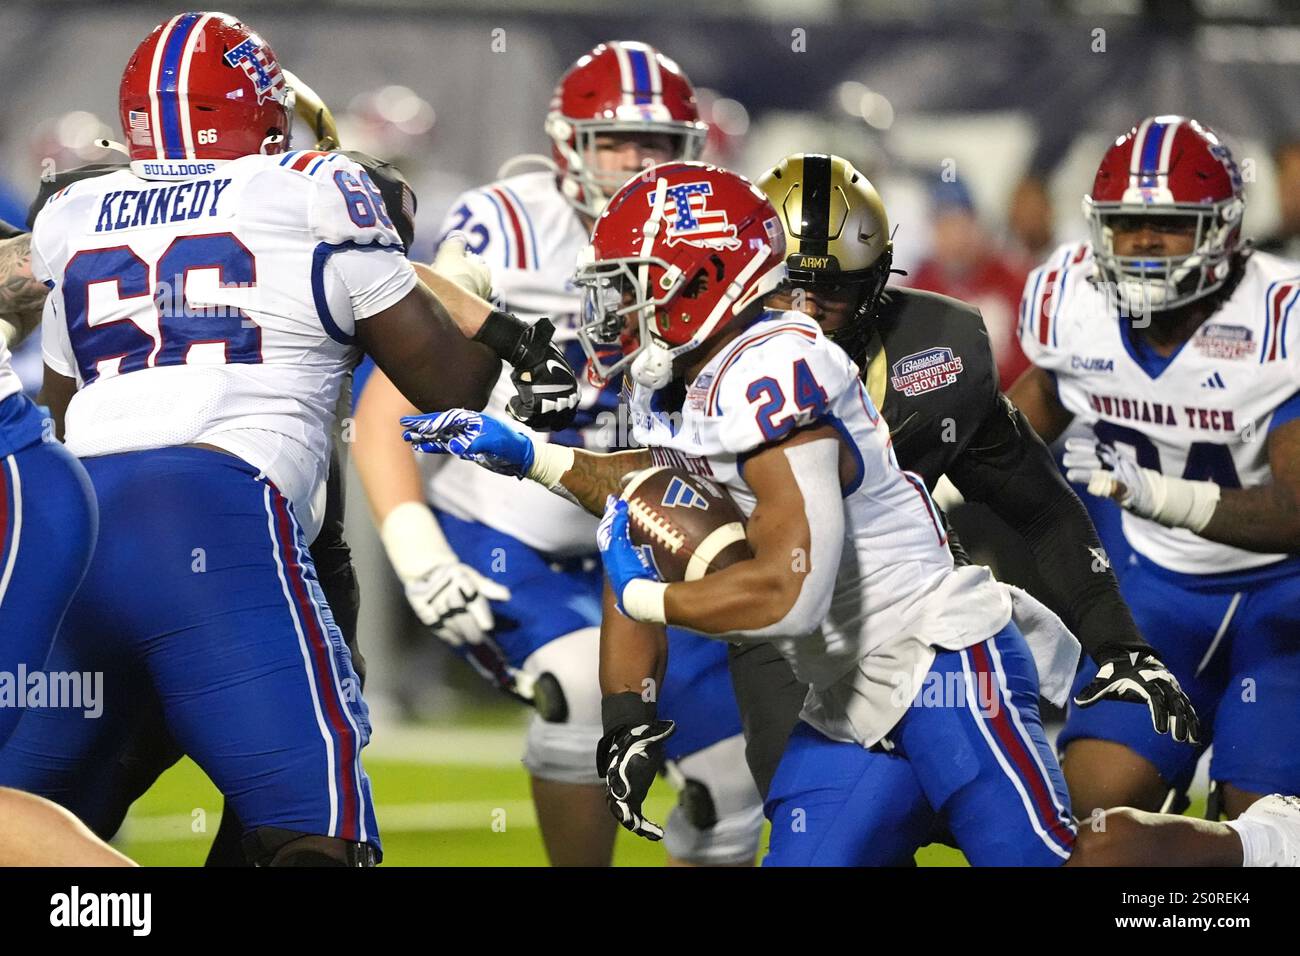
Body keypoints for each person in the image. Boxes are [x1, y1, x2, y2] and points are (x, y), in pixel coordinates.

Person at [400, 160, 1300, 866]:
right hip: (841, 689)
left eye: (636, 280)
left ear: (706, 281)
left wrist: (647, 603)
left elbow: (790, 589)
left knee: (1065, 864)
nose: (613, 301)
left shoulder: (776, 368)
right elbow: (644, 501)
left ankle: (1262, 848)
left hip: (935, 658)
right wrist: (539, 461)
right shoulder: (672, 375)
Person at [0, 11, 577, 867]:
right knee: (313, 842)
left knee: (25, 826)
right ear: (259, 110)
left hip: (76, 530)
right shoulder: (319, 190)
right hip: (218, 515)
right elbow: (448, 388)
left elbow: (58, 406)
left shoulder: (72, 214)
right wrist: (460, 305)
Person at [354, 41, 764, 867]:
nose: (636, 162)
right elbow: (389, 400)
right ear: (565, 143)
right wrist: (418, 550)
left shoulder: (712, 231)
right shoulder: (505, 224)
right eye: (615, 140)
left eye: (657, 143)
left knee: (733, 788)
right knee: (582, 689)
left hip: (651, 547)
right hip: (514, 530)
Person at [1010, 115, 1300, 824]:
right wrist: (935, 485)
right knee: (1090, 815)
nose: (1142, 242)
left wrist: (1162, 496)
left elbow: (1297, 513)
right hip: (1161, 597)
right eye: (1126, 222)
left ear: (1223, 230)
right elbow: (1010, 427)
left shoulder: (1279, 317)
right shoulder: (1072, 304)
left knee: (1260, 824)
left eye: (1167, 223)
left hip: (1284, 604)